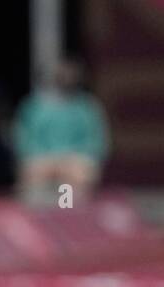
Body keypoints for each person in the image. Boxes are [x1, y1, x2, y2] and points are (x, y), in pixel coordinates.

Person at [14, 59, 109, 203]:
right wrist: (47, 160)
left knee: (77, 174)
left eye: (71, 75)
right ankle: (36, 214)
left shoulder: (87, 106)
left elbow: (96, 140)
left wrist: (68, 160)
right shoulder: (34, 106)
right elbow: (25, 139)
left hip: (74, 158)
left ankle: (68, 212)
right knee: (33, 172)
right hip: (42, 157)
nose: (66, 79)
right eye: (62, 75)